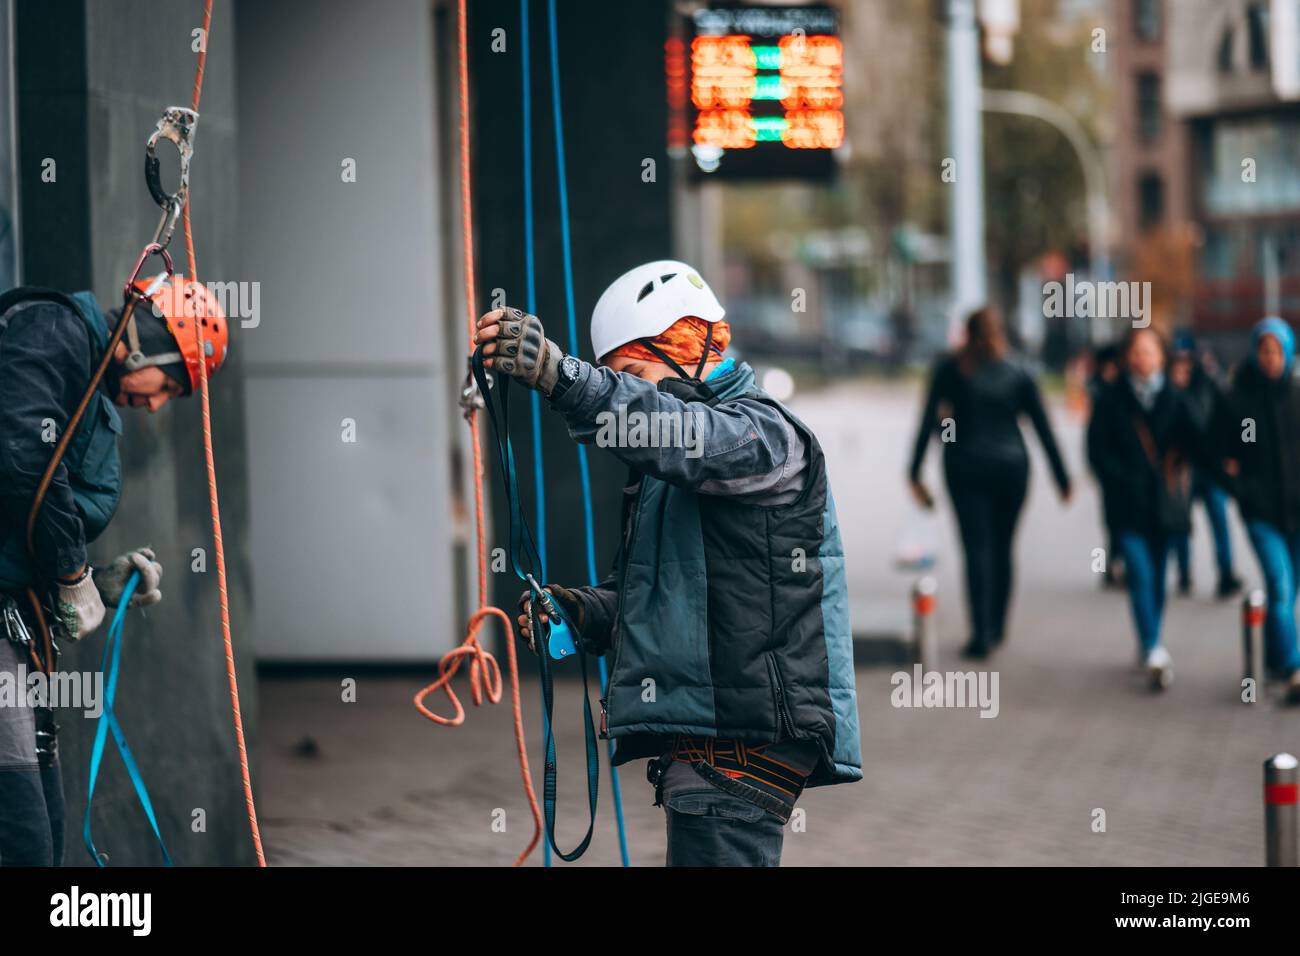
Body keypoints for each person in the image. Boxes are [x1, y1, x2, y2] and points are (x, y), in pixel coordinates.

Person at [474, 260, 861, 867]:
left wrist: (561, 376)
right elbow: (659, 601)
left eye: (633, 374)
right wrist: (579, 613)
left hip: (743, 743)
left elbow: (685, 437)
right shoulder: (668, 470)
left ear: (691, 344)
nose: (634, 393)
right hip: (710, 746)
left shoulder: (766, 436)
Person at [0, 275, 228, 865]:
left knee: (44, 825)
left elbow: (19, 520)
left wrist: (95, 581)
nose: (155, 404)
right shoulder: (49, 333)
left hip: (16, 621)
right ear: (147, 342)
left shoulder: (82, 379)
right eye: (170, 385)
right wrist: (74, 576)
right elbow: (25, 460)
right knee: (20, 832)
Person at [908, 307, 1072, 660]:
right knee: (1002, 547)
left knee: (976, 549)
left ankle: (981, 633)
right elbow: (1042, 427)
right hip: (1012, 469)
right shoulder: (1019, 371)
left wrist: (914, 471)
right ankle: (997, 626)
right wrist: (1062, 478)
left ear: (966, 333)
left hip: (964, 468)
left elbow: (927, 422)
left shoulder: (949, 370)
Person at [1087, 327, 1205, 691]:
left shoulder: (1176, 398)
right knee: (1138, 573)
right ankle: (1154, 646)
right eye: (1136, 352)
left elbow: (1198, 441)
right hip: (1126, 505)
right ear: (1127, 357)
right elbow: (1095, 449)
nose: (1142, 358)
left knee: (1157, 577)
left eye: (1149, 351)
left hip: (1165, 505)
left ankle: (1149, 639)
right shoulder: (1111, 398)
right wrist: (1118, 478)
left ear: (1162, 357)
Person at [1216, 317, 1300, 703]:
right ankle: (1294, 667)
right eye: (1264, 350)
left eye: (1278, 350)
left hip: (1297, 513)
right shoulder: (1239, 401)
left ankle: (1272, 661)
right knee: (1280, 586)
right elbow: (1215, 452)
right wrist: (1241, 489)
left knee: (1286, 592)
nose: (1271, 358)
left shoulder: (1297, 396)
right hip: (1262, 514)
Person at [1167, 331, 1242, 598]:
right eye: (1178, 360)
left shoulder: (1210, 385)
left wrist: (1238, 451)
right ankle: (1184, 573)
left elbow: (1236, 420)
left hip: (1211, 468)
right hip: (1182, 467)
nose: (1183, 365)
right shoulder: (1167, 391)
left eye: (1187, 359)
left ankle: (1226, 574)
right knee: (1181, 523)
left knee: (1220, 522)